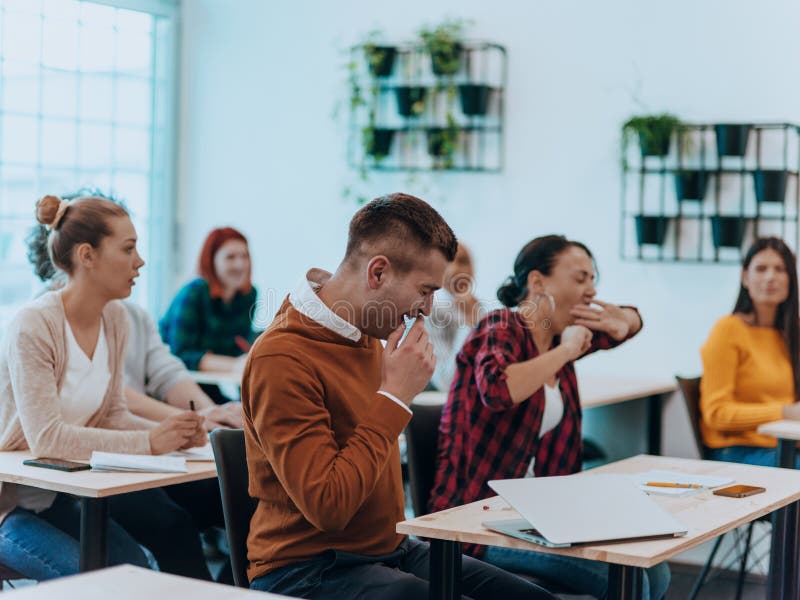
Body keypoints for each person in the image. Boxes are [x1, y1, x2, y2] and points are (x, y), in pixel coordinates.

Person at [242, 193, 555, 599]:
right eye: (425, 290)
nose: (426, 308)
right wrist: (394, 396)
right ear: (378, 273)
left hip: (391, 549)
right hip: (306, 568)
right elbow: (329, 507)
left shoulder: (367, 332)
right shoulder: (282, 357)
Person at [428, 235, 670, 600]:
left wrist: (627, 319)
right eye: (580, 278)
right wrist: (568, 350)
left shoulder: (557, 341)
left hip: (541, 515)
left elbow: (624, 327)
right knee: (627, 580)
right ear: (537, 282)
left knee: (657, 570)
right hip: (477, 522)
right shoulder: (501, 326)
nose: (591, 290)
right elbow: (498, 388)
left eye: (593, 279)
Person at [0, 194, 213, 581]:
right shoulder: (34, 324)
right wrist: (151, 442)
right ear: (87, 256)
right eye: (128, 249)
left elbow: (112, 414)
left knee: (137, 569)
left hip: (60, 497)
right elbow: (47, 439)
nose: (140, 261)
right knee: (96, 581)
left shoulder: (114, 319)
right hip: (8, 506)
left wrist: (175, 434)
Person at [701, 237, 800, 466]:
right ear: (745, 277)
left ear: (790, 279)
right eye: (761, 269)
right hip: (739, 450)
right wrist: (785, 412)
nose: (770, 277)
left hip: (786, 445)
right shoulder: (727, 330)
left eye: (780, 269)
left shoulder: (792, 333)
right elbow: (716, 413)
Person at [160, 227, 258, 404]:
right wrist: (235, 365)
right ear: (211, 260)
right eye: (230, 257)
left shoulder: (248, 296)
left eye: (244, 256)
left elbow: (238, 346)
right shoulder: (193, 293)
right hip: (171, 384)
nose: (240, 265)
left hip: (209, 384)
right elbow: (179, 355)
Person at [426, 242, 485, 392]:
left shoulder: (480, 309)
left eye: (463, 262)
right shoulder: (431, 311)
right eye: (448, 261)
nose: (455, 269)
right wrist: (469, 323)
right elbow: (446, 380)